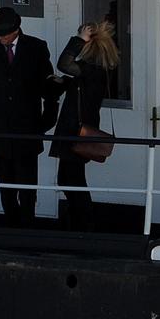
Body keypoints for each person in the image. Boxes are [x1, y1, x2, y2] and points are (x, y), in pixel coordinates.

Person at [0, 6, 56, 223]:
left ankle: (28, 226)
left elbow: (47, 86)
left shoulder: (36, 47)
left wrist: (46, 119)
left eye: (3, 34)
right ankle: (10, 224)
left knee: (27, 186)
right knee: (6, 185)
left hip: (28, 127)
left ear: (16, 29)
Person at [50, 19, 118, 229]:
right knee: (73, 180)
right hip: (81, 131)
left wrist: (78, 39)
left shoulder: (89, 69)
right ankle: (82, 224)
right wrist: (69, 82)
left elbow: (64, 63)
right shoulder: (100, 72)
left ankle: (83, 225)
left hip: (75, 132)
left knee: (71, 181)